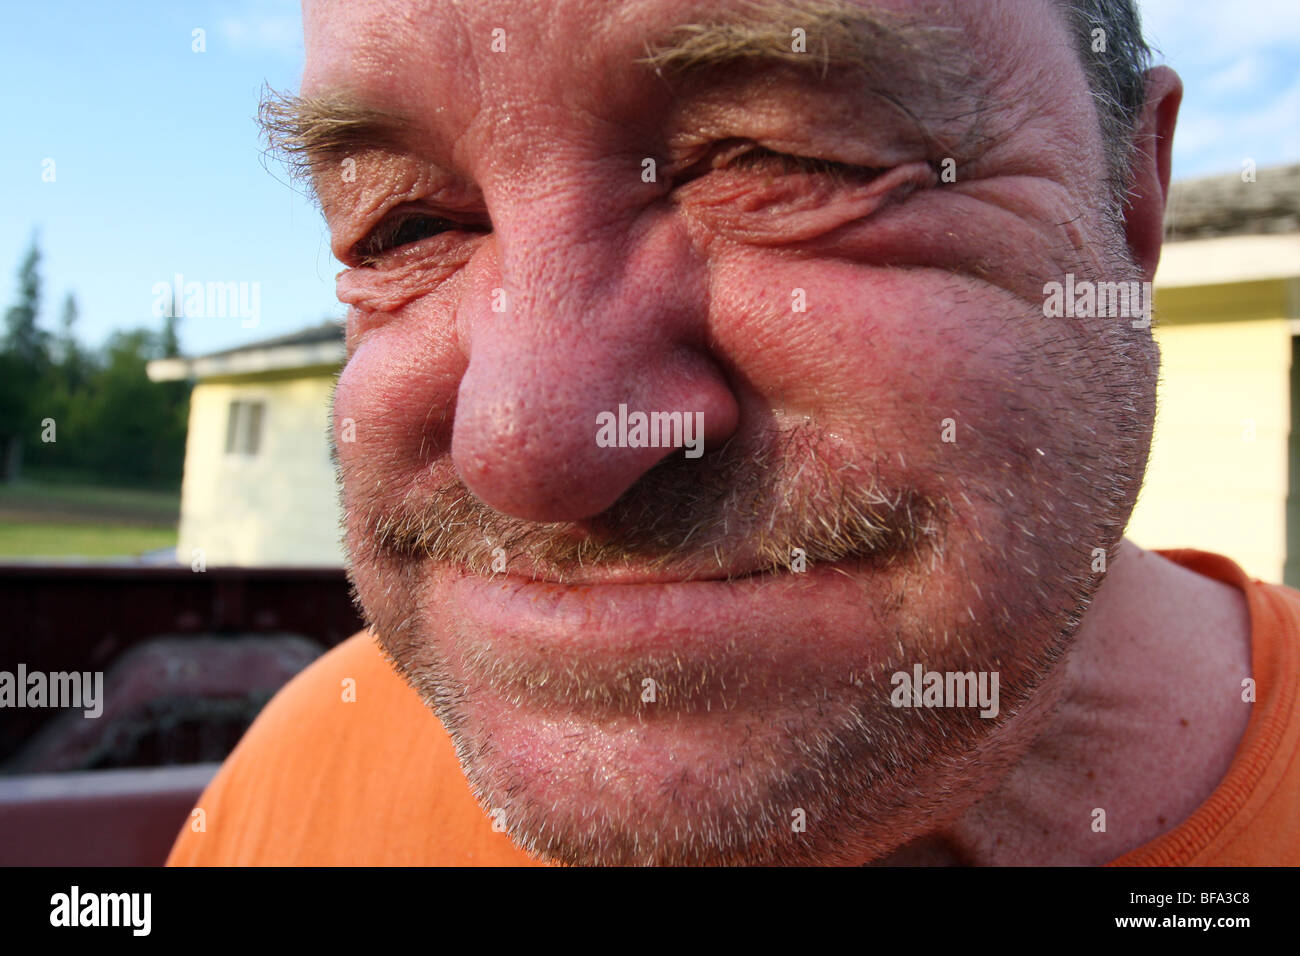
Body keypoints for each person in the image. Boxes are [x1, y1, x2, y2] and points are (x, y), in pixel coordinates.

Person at [168, 0, 1300, 866]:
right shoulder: (296, 781)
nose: (527, 446)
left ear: (1132, 200)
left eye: (784, 159)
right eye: (405, 225)